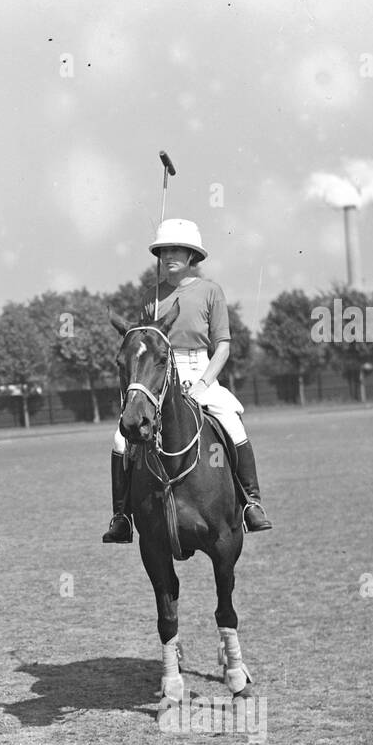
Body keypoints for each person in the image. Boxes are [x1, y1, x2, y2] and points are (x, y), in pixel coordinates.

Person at [104, 219, 272, 542]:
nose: (170, 256)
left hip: (199, 370)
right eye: (164, 250)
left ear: (191, 254)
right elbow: (146, 346)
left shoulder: (210, 292)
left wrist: (204, 383)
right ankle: (122, 516)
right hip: (158, 373)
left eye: (177, 249)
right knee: (120, 440)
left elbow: (222, 345)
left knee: (232, 424)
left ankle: (251, 502)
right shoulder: (150, 297)